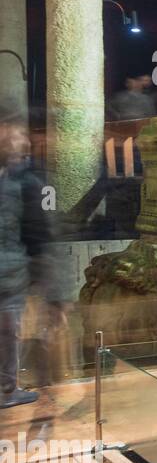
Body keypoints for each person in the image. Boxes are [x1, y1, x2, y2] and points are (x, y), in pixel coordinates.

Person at [0, 119, 53, 408]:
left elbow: (32, 231)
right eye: (16, 134)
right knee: (8, 331)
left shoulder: (21, 179)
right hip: (9, 274)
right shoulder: (17, 180)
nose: (23, 142)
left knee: (9, 331)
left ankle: (8, 389)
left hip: (10, 274)